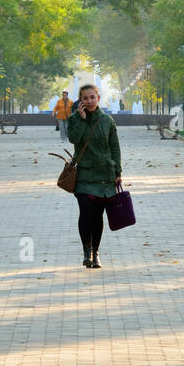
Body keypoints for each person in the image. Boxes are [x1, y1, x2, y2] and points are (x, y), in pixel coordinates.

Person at [65, 83, 122, 269]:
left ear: (98, 98)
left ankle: (95, 252)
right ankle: (86, 250)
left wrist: (118, 171)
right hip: (83, 175)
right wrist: (82, 119)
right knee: (86, 213)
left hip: (105, 175)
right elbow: (74, 139)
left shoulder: (107, 121)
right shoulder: (74, 119)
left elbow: (114, 147)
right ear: (80, 101)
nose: (89, 101)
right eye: (85, 98)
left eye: (92, 97)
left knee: (98, 216)